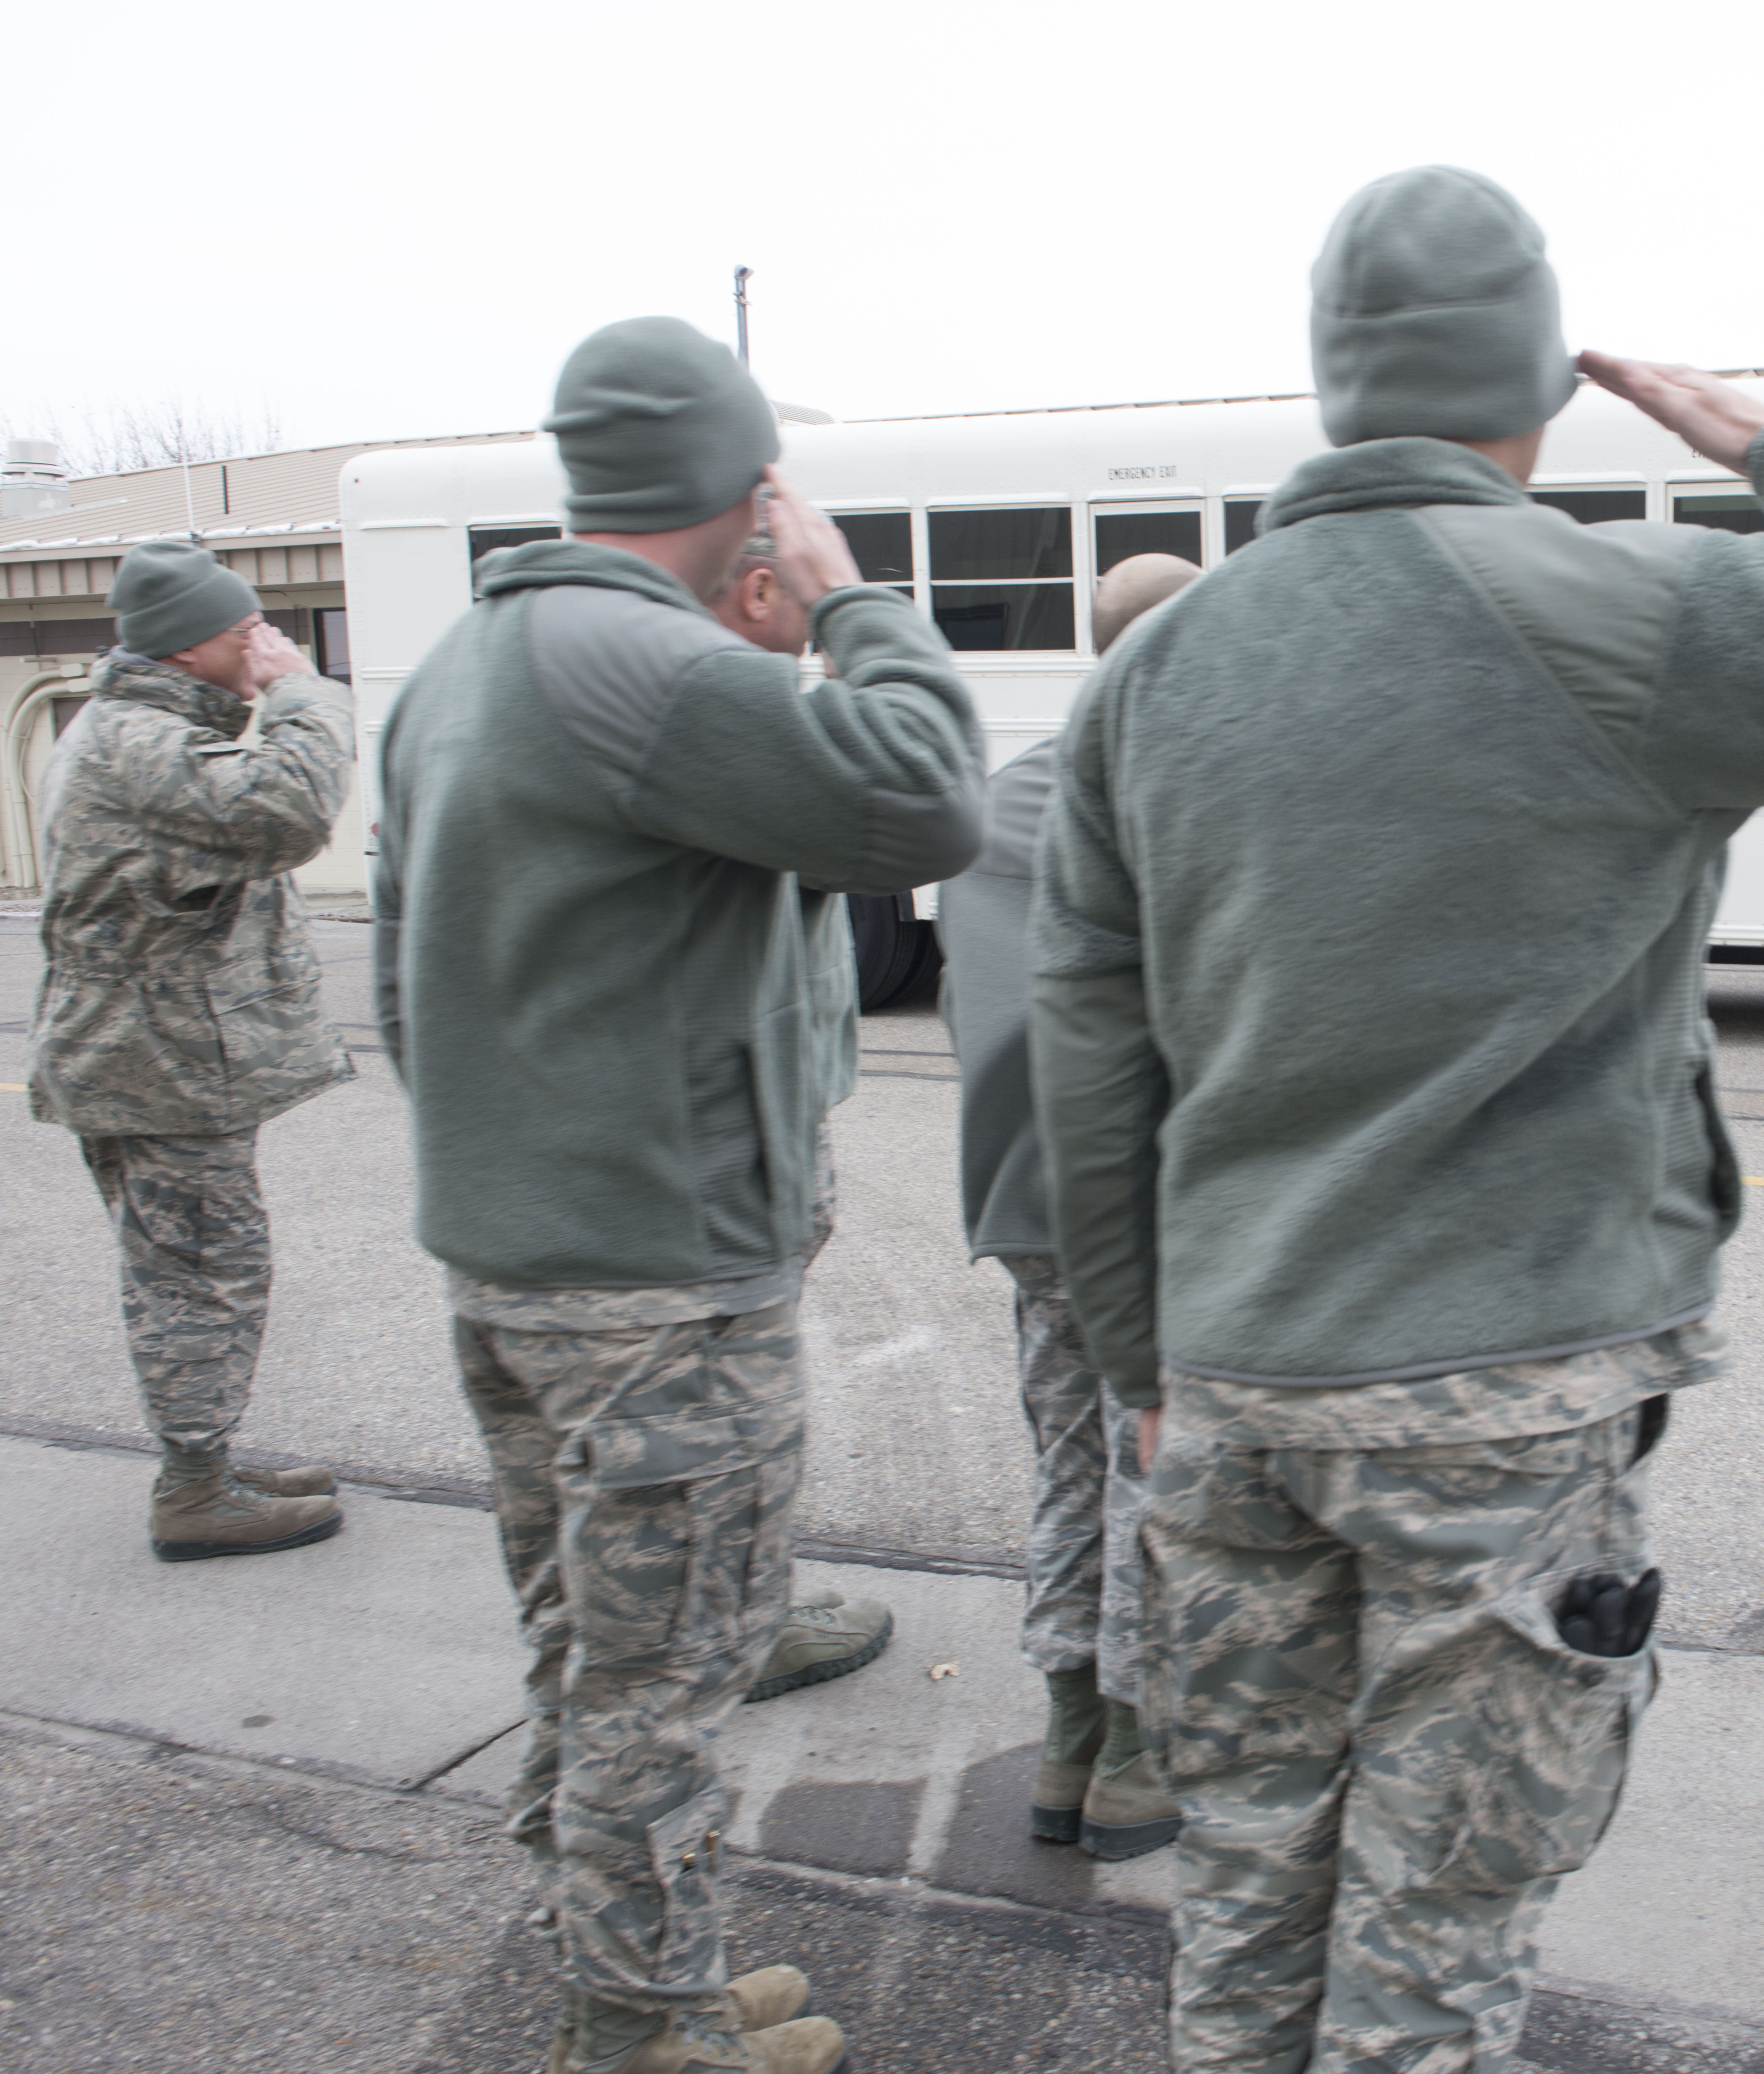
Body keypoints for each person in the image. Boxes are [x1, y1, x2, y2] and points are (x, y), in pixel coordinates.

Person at [1028, 166, 1764, 2073]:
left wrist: (1139, 1360)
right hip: (1498, 1407)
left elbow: (1089, 1047)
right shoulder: (1618, 607)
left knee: (1248, 1905)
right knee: (1431, 1951)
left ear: (1334, 382)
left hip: (1231, 1390)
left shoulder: (1157, 671)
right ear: (1541, 382)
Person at [375, 315, 985, 2074]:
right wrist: (853, 598)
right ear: (742, 486)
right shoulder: (654, 670)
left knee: (590, 1655)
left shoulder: (464, 665)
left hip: (515, 1270)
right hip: (655, 1296)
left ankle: (638, 1978)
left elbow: (413, 993)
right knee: (666, 1687)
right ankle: (645, 2033)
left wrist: (516, 1169)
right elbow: (925, 801)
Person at [936, 550, 1199, 1864]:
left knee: (1063, 1465)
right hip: (1146, 1206)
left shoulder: (1003, 799)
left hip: (1021, 1201)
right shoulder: (1183, 791)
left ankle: (1063, 1739)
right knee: (1152, 1469)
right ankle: (1142, 1755)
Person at [27, 544, 357, 1561]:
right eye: (242, 629)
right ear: (185, 642)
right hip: (158, 1066)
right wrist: (304, 693)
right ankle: (196, 1488)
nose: (261, 642)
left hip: (151, 1056)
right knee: (199, 1275)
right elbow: (291, 807)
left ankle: (209, 1461)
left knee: (193, 1268)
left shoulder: (138, 730)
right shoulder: (138, 742)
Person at [702, 527, 899, 1710]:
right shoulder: (730, 713)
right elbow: (903, 794)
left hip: (730, 1114)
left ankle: (734, 1601)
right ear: (763, 588)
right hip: (743, 1138)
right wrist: (853, 617)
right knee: (737, 1389)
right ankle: (746, 1621)